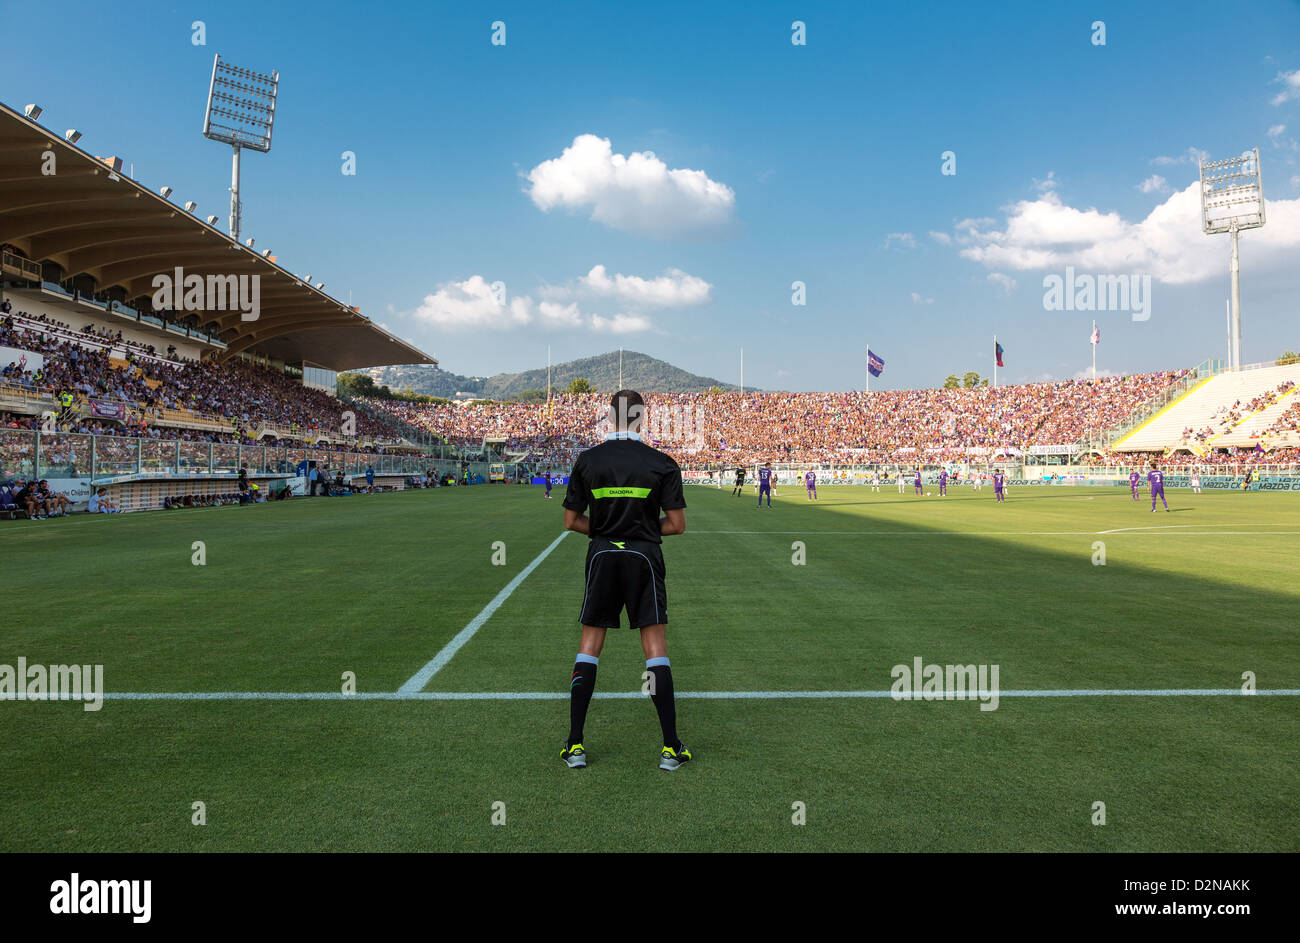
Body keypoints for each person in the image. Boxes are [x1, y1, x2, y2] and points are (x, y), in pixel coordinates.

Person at [560, 389, 690, 772]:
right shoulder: (661, 463)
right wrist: (642, 530)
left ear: (610, 416)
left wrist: (605, 531)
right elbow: (677, 525)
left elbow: (570, 521)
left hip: (602, 554)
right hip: (644, 557)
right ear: (642, 418)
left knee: (589, 646)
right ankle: (670, 748)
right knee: (655, 649)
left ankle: (575, 744)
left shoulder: (588, 460)